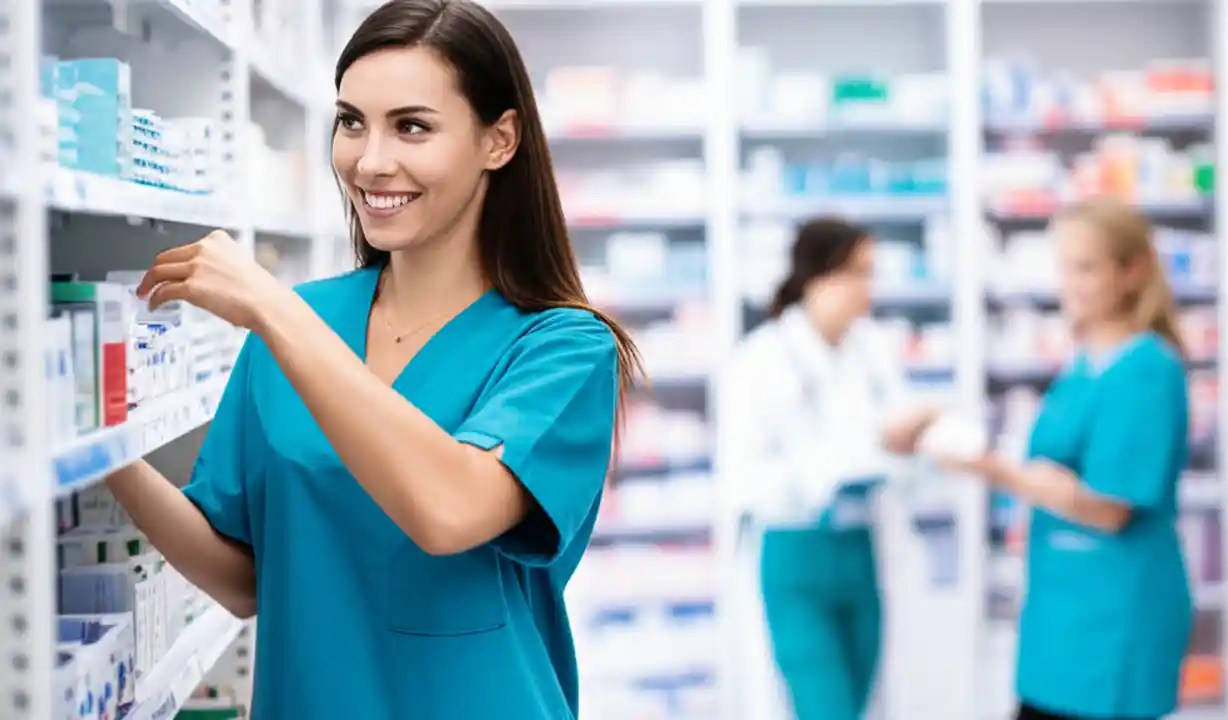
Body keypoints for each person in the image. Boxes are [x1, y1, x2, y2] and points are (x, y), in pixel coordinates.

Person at [103, 1, 642, 717]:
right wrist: (98, 447)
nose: (370, 160)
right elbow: (242, 577)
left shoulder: (560, 348)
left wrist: (274, 312)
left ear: (499, 140)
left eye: (412, 127)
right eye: (351, 121)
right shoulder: (304, 320)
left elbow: (448, 509)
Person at [946, 198, 1193, 720]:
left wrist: (997, 470)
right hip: (1057, 618)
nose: (1070, 284)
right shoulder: (1082, 365)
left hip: (1115, 619)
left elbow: (1110, 507)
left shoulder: (1147, 368)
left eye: (1087, 267)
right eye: (1064, 266)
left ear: (1132, 272)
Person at [720, 217, 941, 720]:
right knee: (827, 709)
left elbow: (900, 449)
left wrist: (911, 445)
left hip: (861, 552)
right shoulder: (760, 361)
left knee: (858, 704)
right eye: (858, 273)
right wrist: (863, 451)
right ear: (817, 276)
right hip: (795, 553)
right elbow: (746, 481)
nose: (870, 288)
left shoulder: (873, 350)